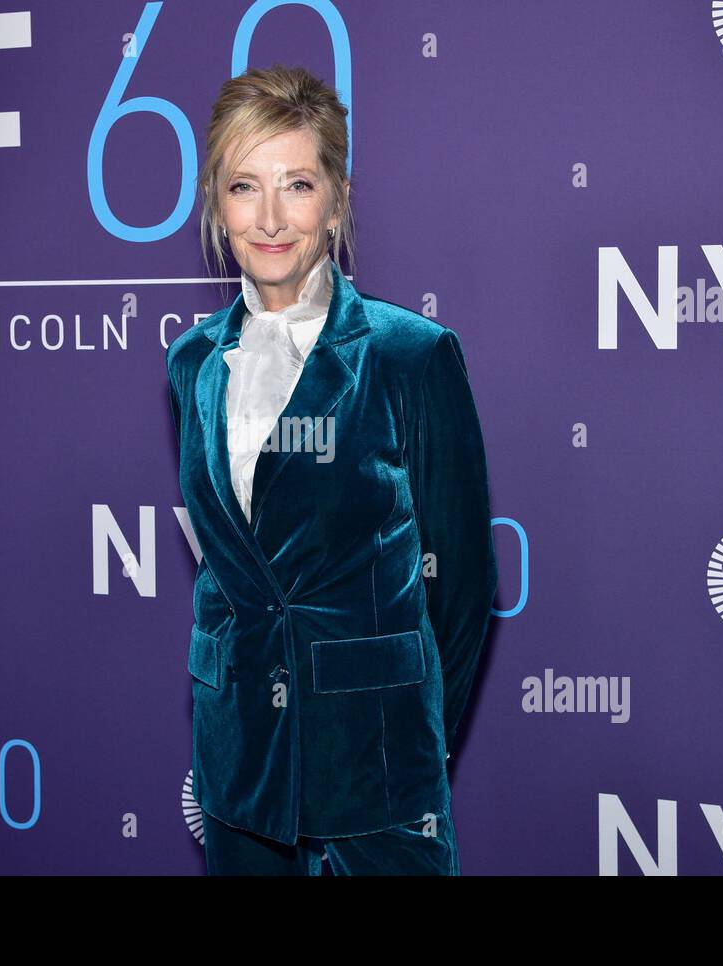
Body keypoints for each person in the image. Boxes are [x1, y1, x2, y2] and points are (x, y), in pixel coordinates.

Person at [166, 64, 498, 875]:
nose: (271, 217)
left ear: (338, 200)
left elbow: (459, 586)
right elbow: (234, 576)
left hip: (376, 781)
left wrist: (405, 747)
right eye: (245, 186)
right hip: (238, 769)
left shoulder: (409, 355)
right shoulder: (191, 363)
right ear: (216, 202)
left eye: (298, 184)